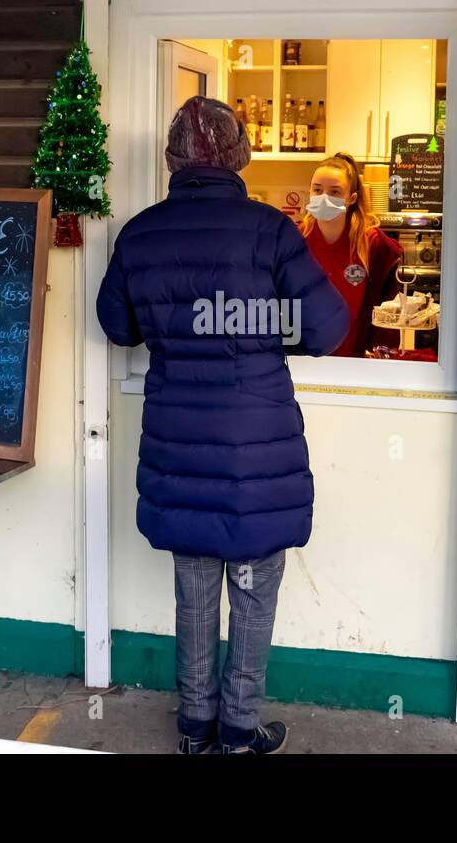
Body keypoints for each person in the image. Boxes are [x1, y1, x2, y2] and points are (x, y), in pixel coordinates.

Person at [96, 96, 348, 754]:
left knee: (195, 594)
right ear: (238, 157)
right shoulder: (268, 230)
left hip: (180, 452)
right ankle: (238, 732)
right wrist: (259, 330)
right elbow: (325, 328)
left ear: (174, 161)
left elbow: (118, 326)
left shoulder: (141, 233)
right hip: (259, 458)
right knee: (255, 597)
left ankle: (193, 730)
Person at [300, 153, 403, 356]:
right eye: (317, 190)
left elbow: (388, 311)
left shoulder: (373, 245)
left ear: (352, 198)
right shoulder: (296, 240)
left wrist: (380, 353)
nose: (324, 198)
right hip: (305, 360)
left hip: (356, 361)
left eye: (335, 192)